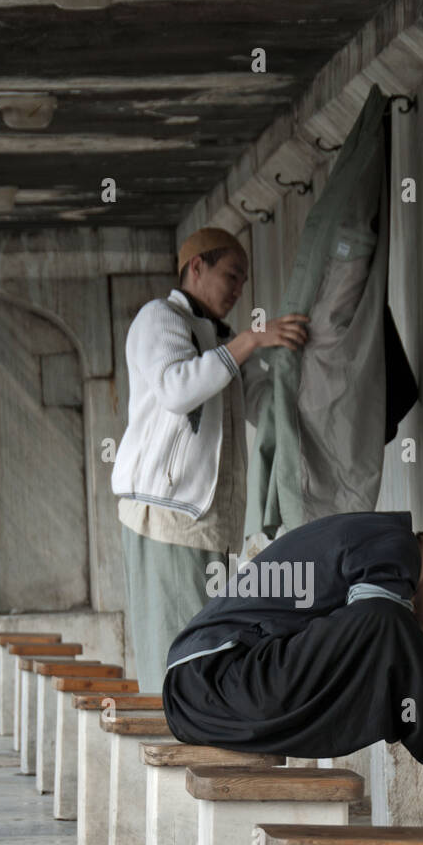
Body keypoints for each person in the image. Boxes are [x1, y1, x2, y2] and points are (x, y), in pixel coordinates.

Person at [161, 506, 423, 811]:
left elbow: (359, 651)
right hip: (215, 677)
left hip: (210, 694)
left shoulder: (382, 552)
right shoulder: (391, 544)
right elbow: (382, 647)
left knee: (389, 630)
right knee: (386, 626)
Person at [111, 227, 309, 690]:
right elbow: (178, 389)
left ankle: (194, 746)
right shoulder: (158, 319)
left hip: (208, 521)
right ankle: (175, 749)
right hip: (166, 513)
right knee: (178, 649)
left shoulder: (218, 337)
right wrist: (250, 341)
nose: (239, 289)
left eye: (243, 280)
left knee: (204, 640)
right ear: (196, 267)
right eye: (232, 275)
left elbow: (264, 405)